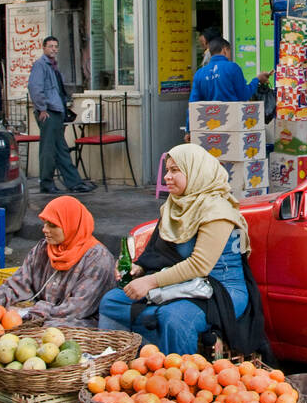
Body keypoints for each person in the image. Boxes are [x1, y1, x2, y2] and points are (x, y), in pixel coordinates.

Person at [97, 144, 268, 357]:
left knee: (174, 318)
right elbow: (157, 251)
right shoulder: (174, 206)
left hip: (220, 291)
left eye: (175, 170)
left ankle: (176, 380)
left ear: (196, 171)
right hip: (181, 284)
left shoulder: (217, 210)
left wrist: (150, 281)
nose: (167, 177)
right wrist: (138, 268)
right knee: (112, 302)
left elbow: (199, 265)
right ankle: (118, 366)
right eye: (167, 170)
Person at [0, 195, 116, 325]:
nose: (45, 229)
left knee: (48, 329)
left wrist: (31, 313)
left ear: (71, 225)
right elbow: (19, 284)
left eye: (52, 225)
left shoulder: (98, 259)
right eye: (45, 223)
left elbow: (77, 309)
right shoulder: (43, 249)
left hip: (79, 323)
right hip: (39, 316)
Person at [28, 35, 95, 195]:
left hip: (57, 111)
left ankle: (74, 183)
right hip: (48, 112)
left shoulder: (53, 66)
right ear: (44, 48)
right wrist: (42, 108)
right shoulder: (40, 65)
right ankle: (46, 183)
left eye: (56, 46)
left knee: (61, 149)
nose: (53, 49)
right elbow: (35, 88)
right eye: (50, 46)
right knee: (48, 149)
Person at [190, 37, 270, 103]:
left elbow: (193, 103)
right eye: (229, 51)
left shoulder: (199, 73)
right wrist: (257, 80)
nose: (230, 55)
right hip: (231, 119)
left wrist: (189, 122)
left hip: (209, 120)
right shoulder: (232, 68)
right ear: (224, 50)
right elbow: (243, 95)